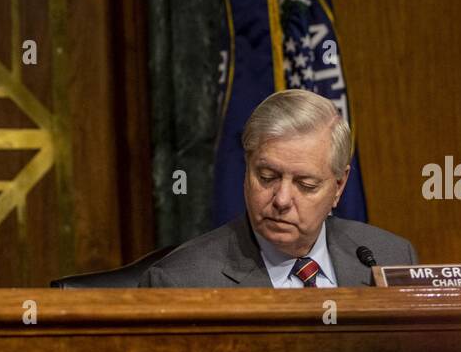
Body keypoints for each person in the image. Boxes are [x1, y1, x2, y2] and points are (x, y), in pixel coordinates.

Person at [141, 89, 416, 287]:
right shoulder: (181, 282)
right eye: (267, 177)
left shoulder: (393, 257)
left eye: (305, 184)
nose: (282, 200)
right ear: (247, 168)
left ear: (339, 186)